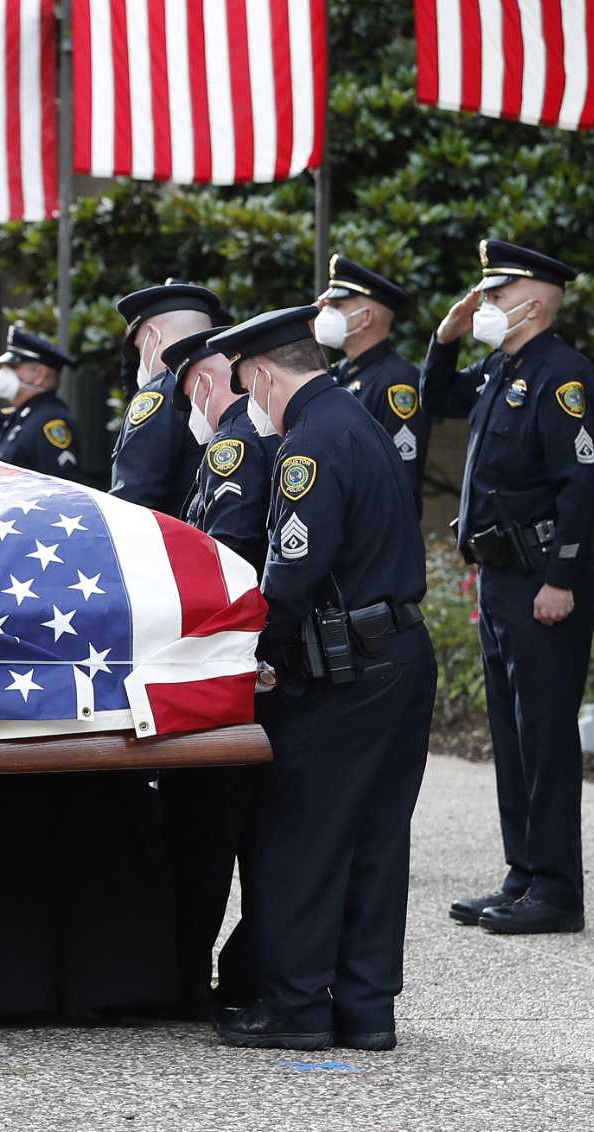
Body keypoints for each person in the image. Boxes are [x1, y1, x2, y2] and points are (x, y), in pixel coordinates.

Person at [207, 305, 435, 1052]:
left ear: (263, 377)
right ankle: (366, 1009)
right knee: (375, 839)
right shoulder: (354, 420)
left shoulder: (308, 443)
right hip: (394, 653)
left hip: (343, 671)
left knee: (302, 836)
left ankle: (297, 1005)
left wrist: (255, 653)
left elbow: (293, 571)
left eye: (246, 388)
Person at [421, 240, 594, 936]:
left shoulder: (562, 376)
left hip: (540, 580)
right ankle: (523, 872)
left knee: (546, 734)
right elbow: (436, 399)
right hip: (500, 578)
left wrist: (561, 577)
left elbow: (581, 486)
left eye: (496, 295)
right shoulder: (502, 368)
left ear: (534, 302)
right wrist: (445, 339)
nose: (484, 304)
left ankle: (556, 889)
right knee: (512, 729)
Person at [156, 325, 278, 1015]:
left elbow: (224, 560)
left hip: (221, 666)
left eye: (185, 396)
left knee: (205, 830)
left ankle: (187, 978)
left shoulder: (234, 446)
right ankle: (190, 973)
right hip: (230, 661)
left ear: (202, 383)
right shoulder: (241, 441)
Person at [313, 256, 428, 512]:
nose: (324, 313)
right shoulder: (340, 373)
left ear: (365, 317)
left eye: (337, 306)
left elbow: (399, 479)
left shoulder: (396, 382)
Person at [110, 279, 222, 515]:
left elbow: (133, 499)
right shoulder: (235, 386)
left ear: (153, 335)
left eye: (139, 348)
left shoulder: (159, 395)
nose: (140, 359)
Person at [0, 325, 79, 480]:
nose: (3, 372)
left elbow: (59, 486)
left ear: (40, 375)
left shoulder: (50, 422)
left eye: (13, 366)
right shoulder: (21, 415)